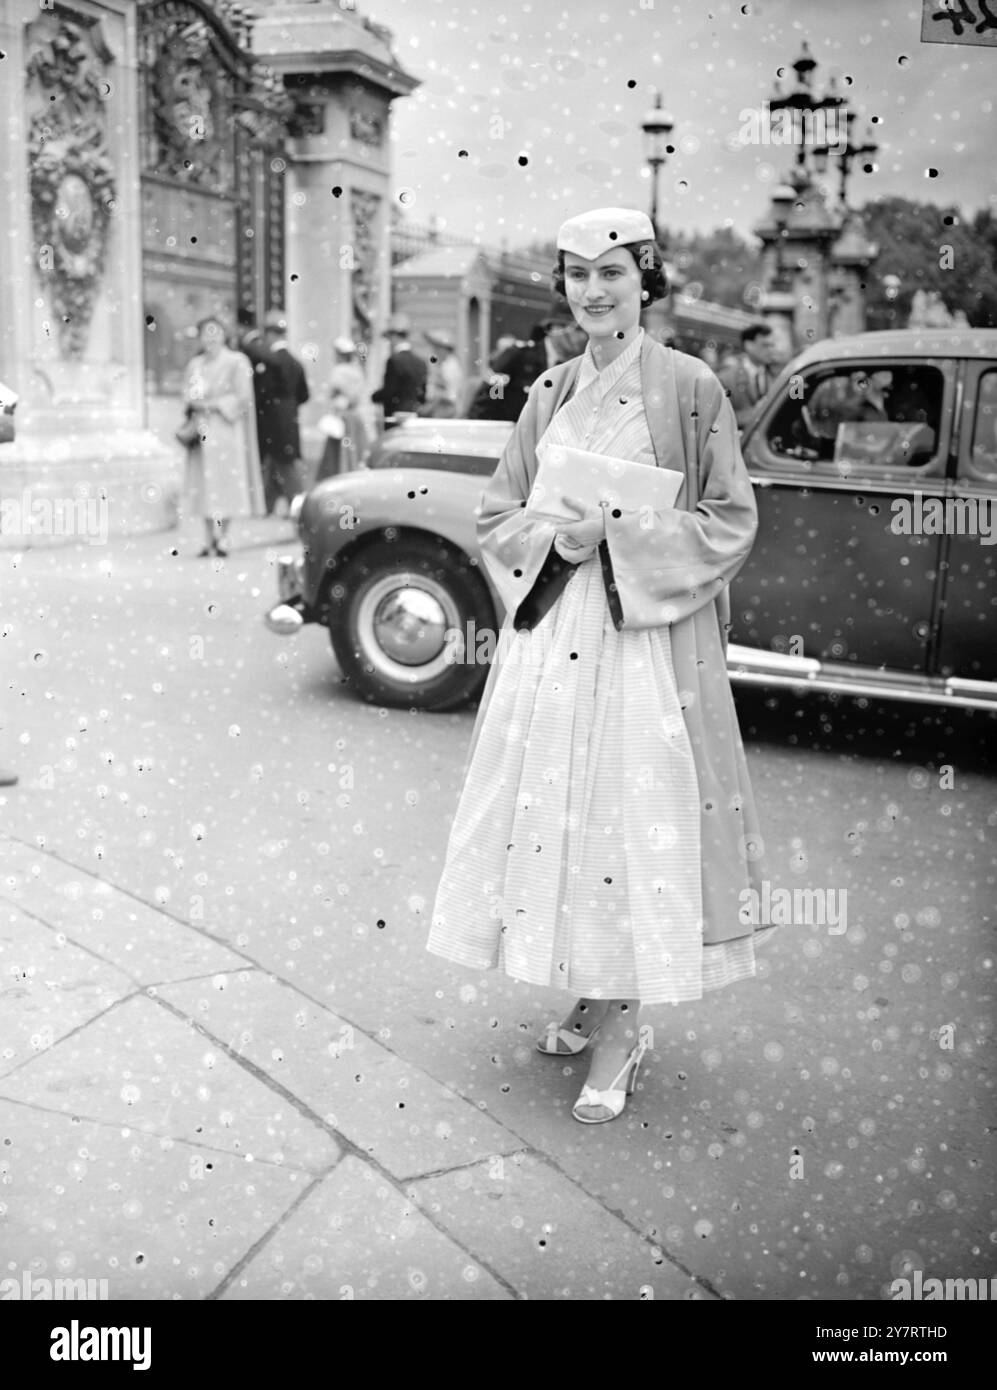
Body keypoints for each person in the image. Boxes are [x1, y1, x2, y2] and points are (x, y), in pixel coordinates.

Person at [427, 206, 771, 1125]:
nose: (592, 289)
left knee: (631, 813)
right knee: (560, 811)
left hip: (644, 643)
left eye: (612, 271)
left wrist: (613, 532)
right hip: (555, 636)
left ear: (646, 280)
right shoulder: (548, 390)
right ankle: (590, 985)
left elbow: (728, 521)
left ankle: (624, 1025)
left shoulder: (692, 388)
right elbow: (500, 515)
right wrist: (556, 538)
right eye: (577, 272)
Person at [182, 315, 265, 556]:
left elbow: (243, 397)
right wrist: (197, 401)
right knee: (204, 485)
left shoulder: (237, 361)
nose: (211, 337)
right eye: (206, 333)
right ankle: (208, 538)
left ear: (224, 335)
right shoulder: (195, 364)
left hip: (226, 429)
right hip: (202, 430)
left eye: (215, 332)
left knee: (227, 483)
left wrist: (215, 404)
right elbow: (189, 394)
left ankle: (225, 536)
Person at [468, 319, 587, 423]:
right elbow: (491, 397)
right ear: (556, 328)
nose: (584, 337)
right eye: (578, 329)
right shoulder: (518, 357)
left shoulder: (575, 368)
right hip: (507, 437)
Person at [255, 309, 309, 514]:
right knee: (279, 466)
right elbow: (304, 395)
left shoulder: (269, 362)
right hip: (290, 421)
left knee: (284, 468)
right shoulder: (296, 363)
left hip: (271, 422)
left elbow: (262, 394)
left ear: (269, 334)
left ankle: (298, 507)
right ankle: (268, 506)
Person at [315, 336, 371, 481]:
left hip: (342, 416)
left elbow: (334, 392)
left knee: (339, 450)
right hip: (354, 415)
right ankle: (351, 472)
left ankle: (339, 474)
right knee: (354, 449)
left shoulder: (338, 371)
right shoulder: (358, 371)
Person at [718, 323, 778, 429]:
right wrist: (755, 414)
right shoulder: (725, 379)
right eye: (765, 345)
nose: (771, 350)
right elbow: (718, 419)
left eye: (772, 345)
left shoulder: (777, 377)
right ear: (748, 345)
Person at [371, 313, 427, 426]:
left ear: (394, 337)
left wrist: (374, 396)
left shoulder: (394, 361)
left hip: (396, 417)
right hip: (414, 416)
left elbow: (389, 391)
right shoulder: (421, 363)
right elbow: (422, 395)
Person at [419, 329, 465, 418]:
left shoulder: (450, 366)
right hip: (440, 410)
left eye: (436, 347)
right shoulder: (443, 364)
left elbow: (452, 395)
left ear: (444, 348)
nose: (434, 351)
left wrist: (434, 400)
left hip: (446, 411)